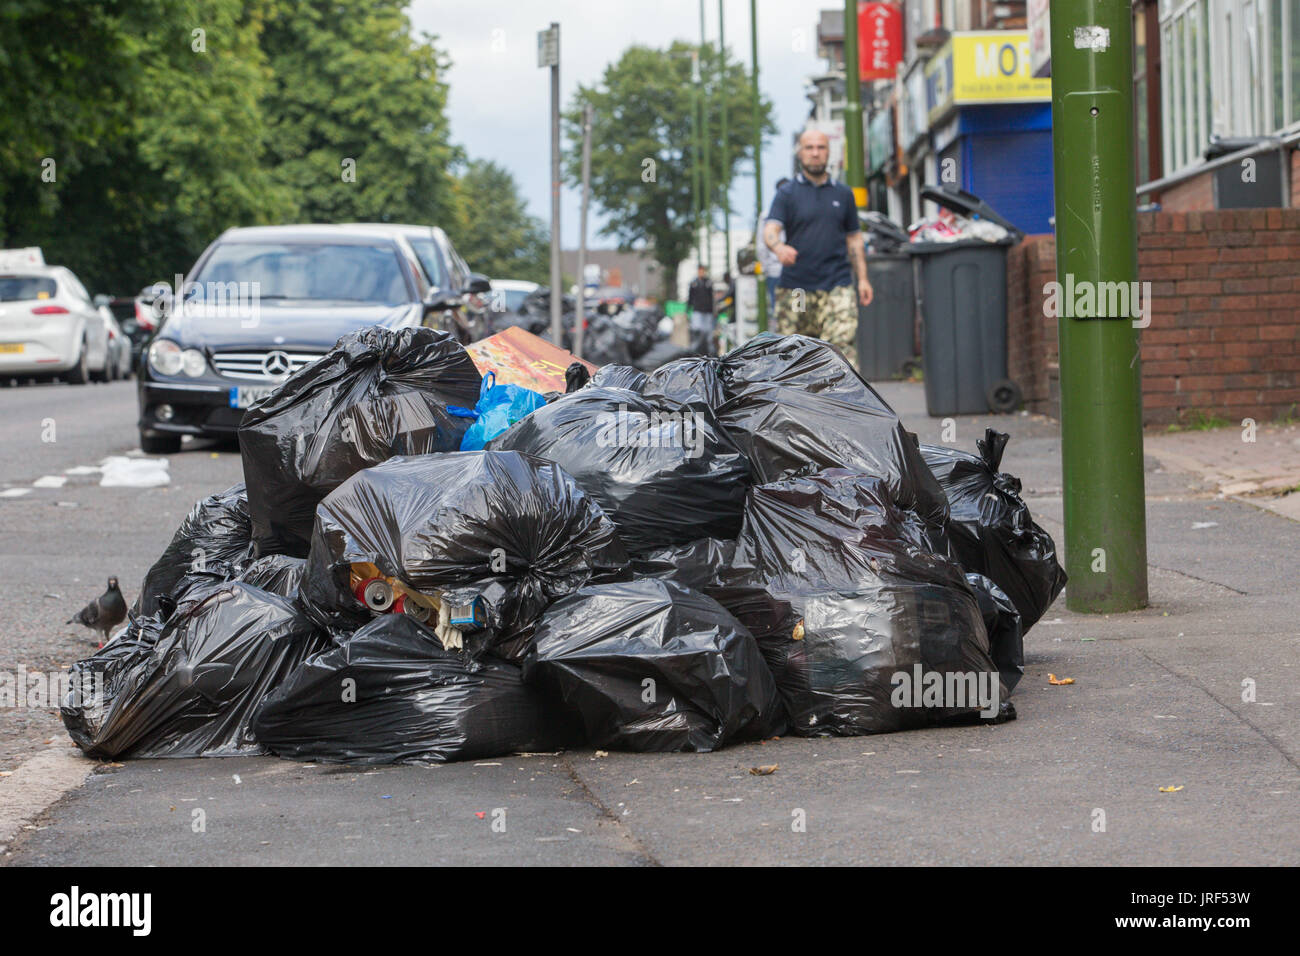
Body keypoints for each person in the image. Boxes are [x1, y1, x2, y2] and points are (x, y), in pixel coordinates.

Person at [763, 129, 873, 369]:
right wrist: (779, 247)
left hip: (837, 284)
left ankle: (844, 404)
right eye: (809, 148)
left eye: (820, 148)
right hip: (797, 289)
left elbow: (854, 238)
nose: (815, 153)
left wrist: (863, 279)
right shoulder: (787, 194)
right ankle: (799, 405)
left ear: (828, 152)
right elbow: (770, 230)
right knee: (791, 357)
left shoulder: (843, 194)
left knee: (842, 350)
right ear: (800, 153)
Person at [756, 176, 790, 306]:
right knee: (798, 310)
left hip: (776, 272)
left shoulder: (765, 215)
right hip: (792, 273)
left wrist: (767, 267)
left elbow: (760, 246)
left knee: (780, 311)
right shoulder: (766, 215)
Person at [686, 265, 716, 356]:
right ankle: (694, 352)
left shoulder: (708, 283)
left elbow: (712, 298)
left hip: (708, 311)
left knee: (708, 332)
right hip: (697, 310)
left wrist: (714, 311)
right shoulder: (694, 283)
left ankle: (710, 352)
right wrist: (687, 309)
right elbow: (690, 297)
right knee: (697, 330)